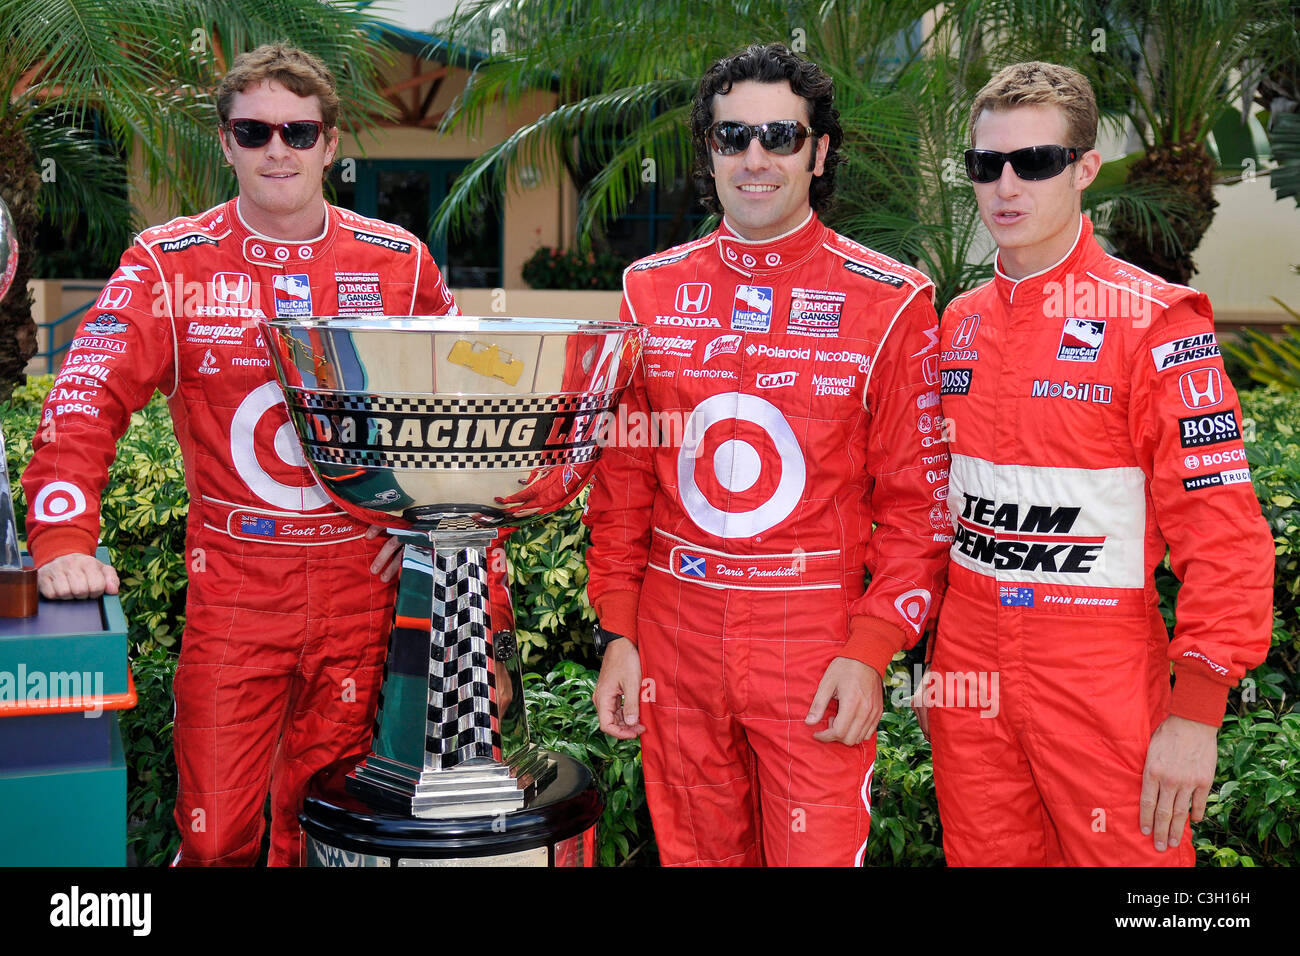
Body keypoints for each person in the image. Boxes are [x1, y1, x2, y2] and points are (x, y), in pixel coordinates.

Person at [22, 43, 510, 866]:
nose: (276, 149)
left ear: (330, 142)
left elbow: (459, 434)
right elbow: (86, 398)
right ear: (225, 143)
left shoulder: (398, 264)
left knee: (321, 837)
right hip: (237, 598)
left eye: (298, 130)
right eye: (253, 131)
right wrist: (63, 538)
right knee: (214, 839)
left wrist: (476, 605)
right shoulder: (169, 263)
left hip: (365, 596)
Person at [583, 43, 950, 866]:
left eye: (780, 138)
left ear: (818, 153)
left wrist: (869, 650)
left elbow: (919, 508)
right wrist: (619, 632)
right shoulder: (649, 287)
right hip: (674, 633)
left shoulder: (892, 300)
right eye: (732, 137)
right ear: (708, 151)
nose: (755, 158)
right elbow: (624, 481)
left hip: (813, 636)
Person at [919, 61, 1274, 866]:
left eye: (1035, 162)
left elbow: (1222, 530)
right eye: (986, 164)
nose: (1006, 186)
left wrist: (1196, 712)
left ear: (1083, 170)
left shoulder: (1155, 321)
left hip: (1101, 675)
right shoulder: (958, 322)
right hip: (968, 667)